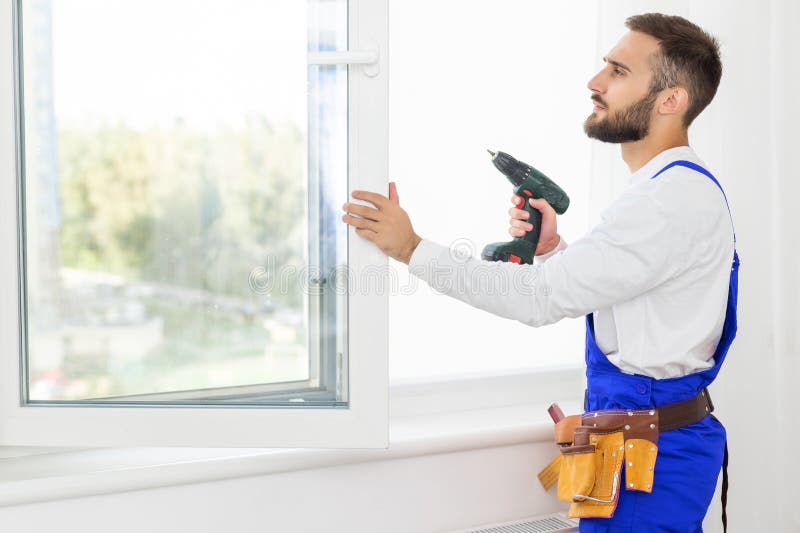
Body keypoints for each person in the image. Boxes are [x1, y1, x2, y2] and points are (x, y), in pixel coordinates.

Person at [341, 12, 736, 533]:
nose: (595, 84)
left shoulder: (667, 200)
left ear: (671, 100)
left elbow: (539, 300)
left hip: (648, 456)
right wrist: (552, 250)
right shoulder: (669, 190)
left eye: (618, 72)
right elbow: (634, 307)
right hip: (636, 443)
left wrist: (412, 248)